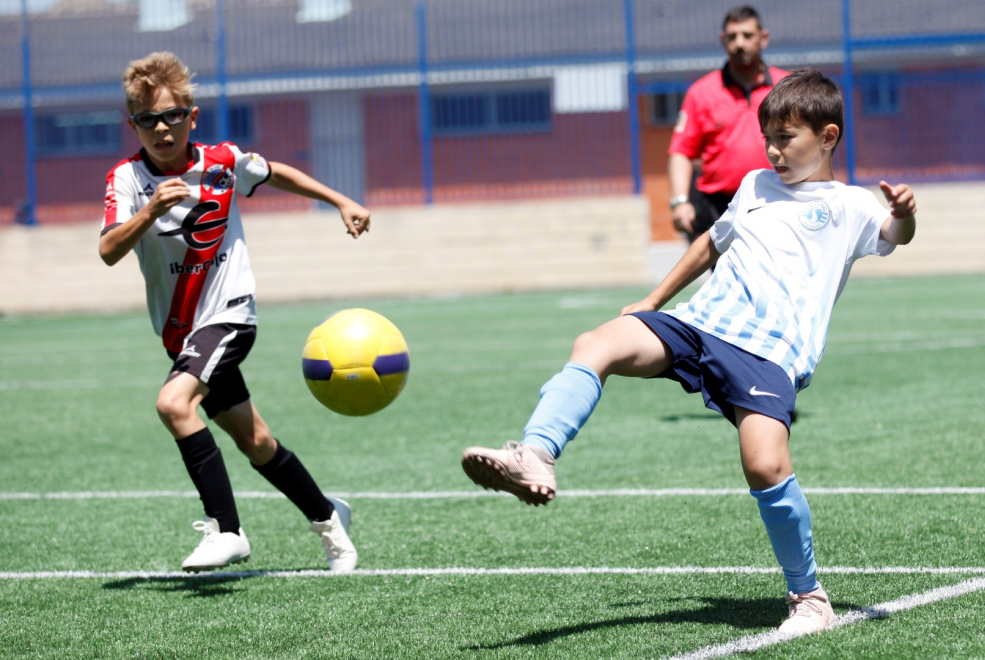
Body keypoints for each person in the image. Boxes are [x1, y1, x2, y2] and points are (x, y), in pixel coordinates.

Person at [462, 69, 917, 636]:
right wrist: (652, 300)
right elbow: (710, 243)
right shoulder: (753, 185)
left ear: (827, 137)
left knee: (765, 465)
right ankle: (536, 453)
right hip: (699, 326)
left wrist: (902, 212)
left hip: (768, 353)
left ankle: (809, 598)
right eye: (768, 138)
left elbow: (895, 235)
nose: (774, 150)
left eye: (787, 138)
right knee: (595, 342)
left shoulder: (849, 205)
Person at [100, 52, 369, 573]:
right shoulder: (127, 180)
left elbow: (274, 172)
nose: (161, 128)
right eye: (147, 120)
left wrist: (340, 200)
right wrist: (150, 210)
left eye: (172, 116)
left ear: (191, 117)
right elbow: (109, 249)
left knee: (174, 405)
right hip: (180, 333)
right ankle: (331, 521)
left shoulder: (221, 160)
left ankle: (227, 529)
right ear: (132, 125)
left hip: (229, 315)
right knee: (257, 441)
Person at [669, 6, 789, 243]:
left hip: (779, 199)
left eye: (747, 35)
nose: (740, 43)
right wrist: (680, 202)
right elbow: (681, 152)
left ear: (763, 38)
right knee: (728, 280)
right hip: (718, 208)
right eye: (732, 37)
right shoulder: (701, 92)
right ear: (723, 40)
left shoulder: (787, 88)